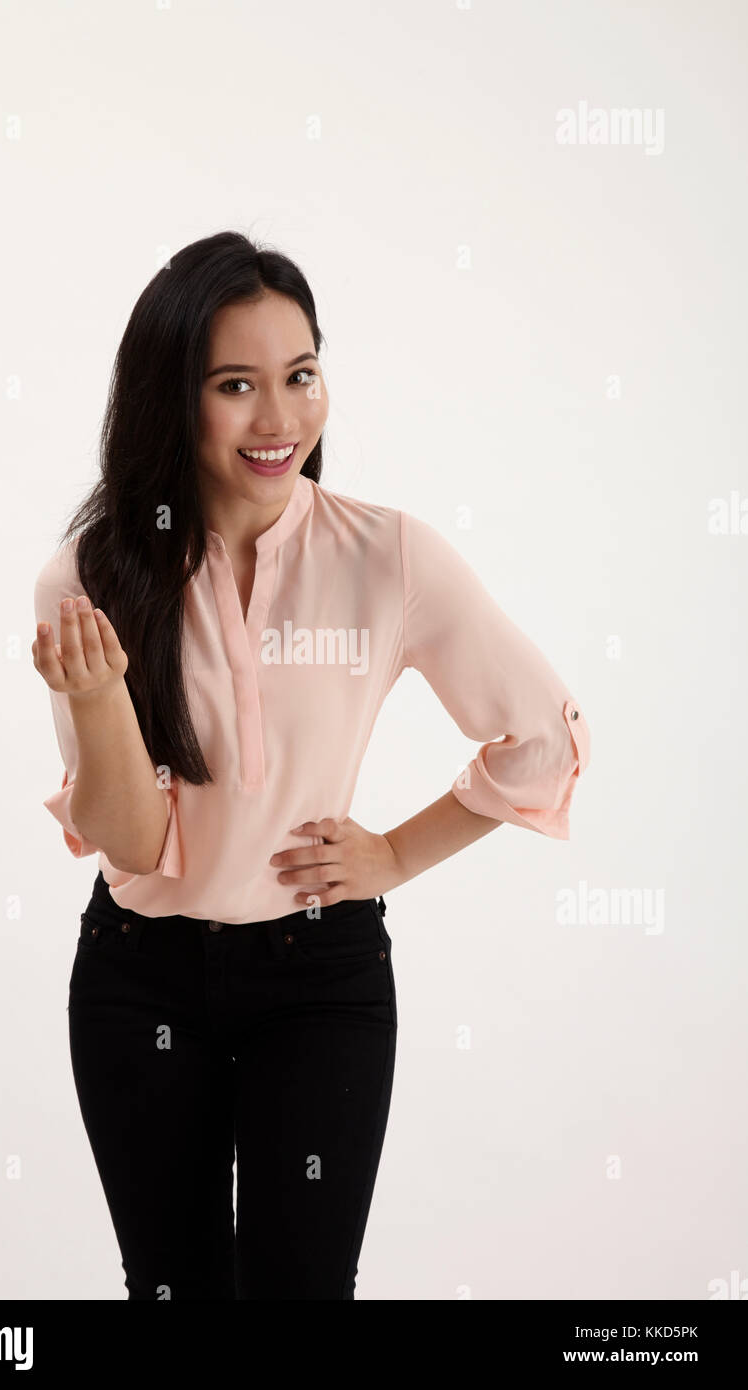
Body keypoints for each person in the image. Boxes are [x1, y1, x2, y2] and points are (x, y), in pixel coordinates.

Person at [32, 231, 591, 1301]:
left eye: (300, 375)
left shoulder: (387, 557)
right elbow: (133, 842)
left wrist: (391, 853)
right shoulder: (91, 570)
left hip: (318, 984)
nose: (280, 419)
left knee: (302, 1289)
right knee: (171, 1287)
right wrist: (98, 695)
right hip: (137, 975)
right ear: (170, 395)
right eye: (236, 385)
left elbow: (540, 735)